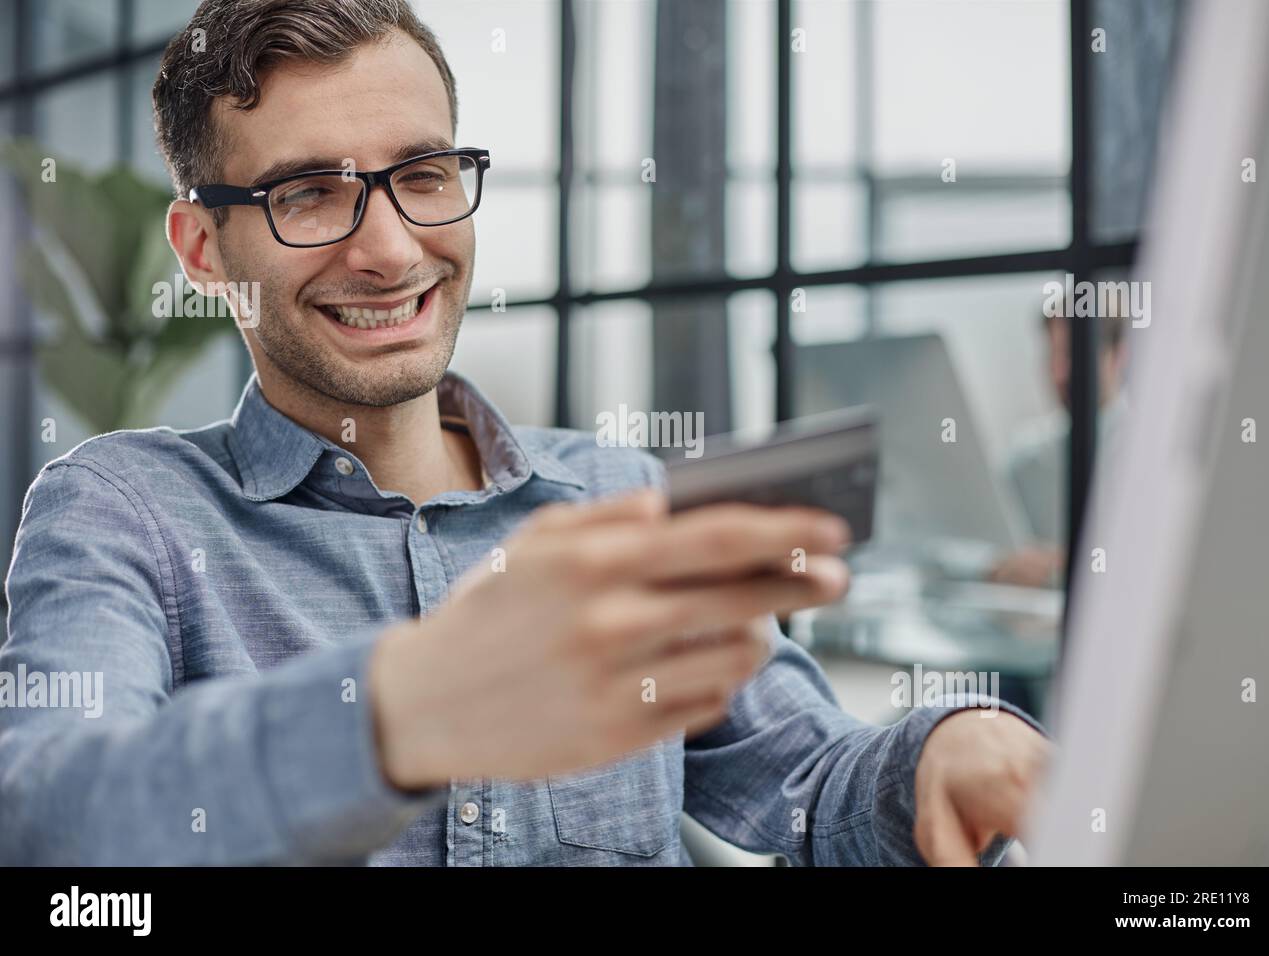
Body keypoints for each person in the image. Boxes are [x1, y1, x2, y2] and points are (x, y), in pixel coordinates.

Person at [0, 0, 1048, 866]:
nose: (390, 247)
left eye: (423, 175)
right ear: (201, 248)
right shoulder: (122, 509)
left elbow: (810, 784)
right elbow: (56, 827)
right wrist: (402, 709)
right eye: (308, 193)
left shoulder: (612, 491)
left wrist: (934, 756)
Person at [987, 311, 1128, 588]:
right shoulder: (1024, 458)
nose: (1060, 372)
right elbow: (990, 549)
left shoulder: (1151, 454)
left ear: (1118, 356)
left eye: (1073, 354)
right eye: (1053, 356)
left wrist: (1064, 565)